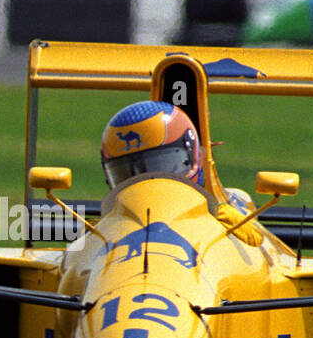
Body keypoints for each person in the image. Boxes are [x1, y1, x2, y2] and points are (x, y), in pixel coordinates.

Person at [99, 101, 261, 244]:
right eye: (126, 173)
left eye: (161, 165)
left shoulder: (230, 216)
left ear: (193, 154)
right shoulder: (105, 228)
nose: (148, 181)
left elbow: (256, 242)